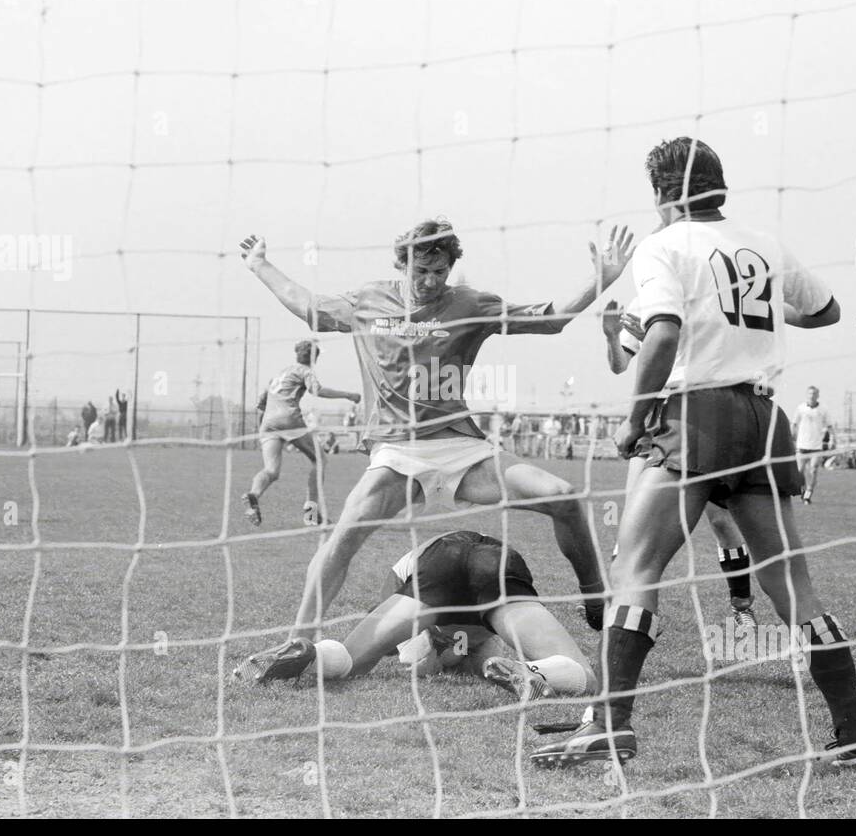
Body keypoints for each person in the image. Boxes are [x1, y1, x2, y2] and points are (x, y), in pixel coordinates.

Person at [534, 136, 856, 771]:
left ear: (666, 195)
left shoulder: (664, 245)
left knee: (635, 570)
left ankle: (610, 727)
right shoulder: (765, 245)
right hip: (763, 417)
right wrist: (756, 320)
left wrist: (633, 420)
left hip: (696, 415)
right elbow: (827, 311)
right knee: (794, 586)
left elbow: (663, 333)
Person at [240, 217, 635, 681]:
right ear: (402, 264)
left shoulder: (470, 304)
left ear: (450, 268)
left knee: (564, 497)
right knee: (343, 537)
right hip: (396, 454)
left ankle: (594, 595)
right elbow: (303, 303)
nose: (429, 282)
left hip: (461, 449)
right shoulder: (367, 301)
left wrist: (600, 280)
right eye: (420, 272)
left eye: (439, 272)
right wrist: (260, 265)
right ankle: (298, 642)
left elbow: (551, 321)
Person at [239, 530, 598, 702]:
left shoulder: (403, 573)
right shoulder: (479, 639)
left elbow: (412, 658)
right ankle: (533, 670)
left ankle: (312, 653)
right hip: (497, 562)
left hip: (438, 561)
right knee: (582, 673)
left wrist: (429, 649)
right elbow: (451, 656)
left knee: (351, 660)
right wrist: (440, 651)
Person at [602, 296, 760, 634]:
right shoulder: (645, 300)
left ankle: (742, 606)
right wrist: (611, 337)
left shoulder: (709, 292)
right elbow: (619, 366)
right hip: (653, 415)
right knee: (633, 517)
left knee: (720, 519)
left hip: (698, 415)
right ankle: (626, 609)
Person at [244, 339, 361, 528]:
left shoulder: (281, 373)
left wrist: (266, 423)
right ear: (314, 358)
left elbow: (260, 403)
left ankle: (254, 495)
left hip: (268, 423)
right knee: (320, 460)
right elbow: (318, 390)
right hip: (289, 419)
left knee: (271, 471)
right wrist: (349, 395)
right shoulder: (305, 371)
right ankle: (311, 513)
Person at [792, 386, 831, 503]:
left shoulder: (823, 409)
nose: (812, 396)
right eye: (810, 393)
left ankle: (808, 495)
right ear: (806, 395)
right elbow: (794, 424)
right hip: (802, 444)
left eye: (814, 393)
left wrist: (833, 438)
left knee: (813, 470)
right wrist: (792, 437)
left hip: (816, 446)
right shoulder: (800, 408)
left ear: (818, 395)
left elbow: (829, 425)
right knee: (799, 471)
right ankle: (802, 491)